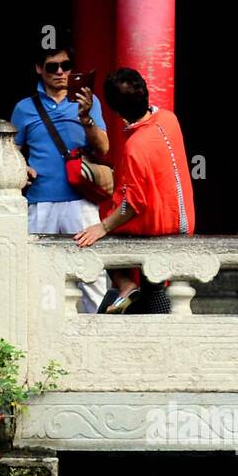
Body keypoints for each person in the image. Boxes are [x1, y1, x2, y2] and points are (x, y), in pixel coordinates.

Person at [74, 68, 196, 314]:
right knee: (153, 287)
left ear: (113, 109)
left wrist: (103, 227)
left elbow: (134, 204)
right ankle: (132, 294)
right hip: (183, 221)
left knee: (104, 221)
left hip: (158, 228)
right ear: (146, 92)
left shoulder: (135, 147)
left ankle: (125, 284)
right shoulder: (169, 119)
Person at [10, 42, 110, 312]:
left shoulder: (88, 102)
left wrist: (86, 117)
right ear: (39, 69)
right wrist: (22, 168)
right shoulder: (24, 108)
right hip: (41, 200)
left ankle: (99, 336)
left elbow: (103, 148)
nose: (60, 72)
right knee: (38, 274)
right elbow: (11, 151)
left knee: (91, 274)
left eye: (66, 66)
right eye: (52, 67)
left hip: (82, 200)